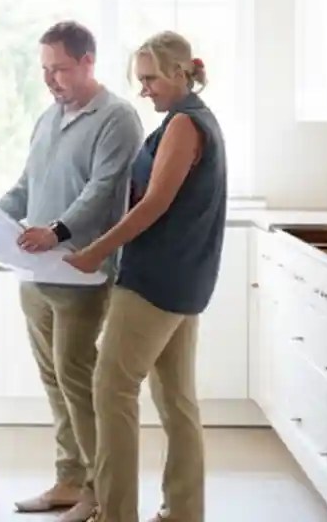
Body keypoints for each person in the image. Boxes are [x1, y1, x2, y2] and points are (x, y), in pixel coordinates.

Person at [0, 20, 142, 522]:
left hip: (82, 273)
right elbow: (23, 189)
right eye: (45, 70)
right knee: (54, 382)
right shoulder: (48, 119)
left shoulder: (117, 117)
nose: (51, 79)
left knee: (79, 382)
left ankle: (99, 491)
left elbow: (102, 191)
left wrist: (56, 230)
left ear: (88, 63)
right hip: (36, 274)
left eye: (60, 69)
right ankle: (68, 480)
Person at [64, 31, 228, 522]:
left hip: (155, 282)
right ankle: (183, 512)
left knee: (110, 389)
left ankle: (116, 515)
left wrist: (94, 251)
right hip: (187, 281)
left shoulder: (182, 125)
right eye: (140, 80)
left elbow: (155, 203)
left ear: (181, 72)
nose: (144, 90)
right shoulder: (202, 120)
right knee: (177, 401)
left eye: (151, 78)